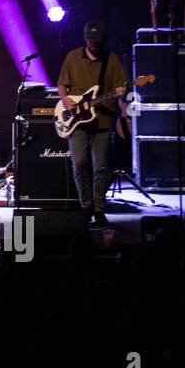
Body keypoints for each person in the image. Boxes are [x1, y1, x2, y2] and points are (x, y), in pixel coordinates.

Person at [57, 19, 129, 224]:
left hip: (103, 121)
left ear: (103, 39)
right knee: (79, 162)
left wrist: (121, 98)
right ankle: (86, 206)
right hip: (76, 121)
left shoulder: (112, 60)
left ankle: (99, 208)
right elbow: (62, 85)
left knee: (101, 167)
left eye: (97, 40)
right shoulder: (73, 57)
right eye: (90, 40)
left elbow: (120, 92)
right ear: (85, 38)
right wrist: (65, 100)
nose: (93, 44)